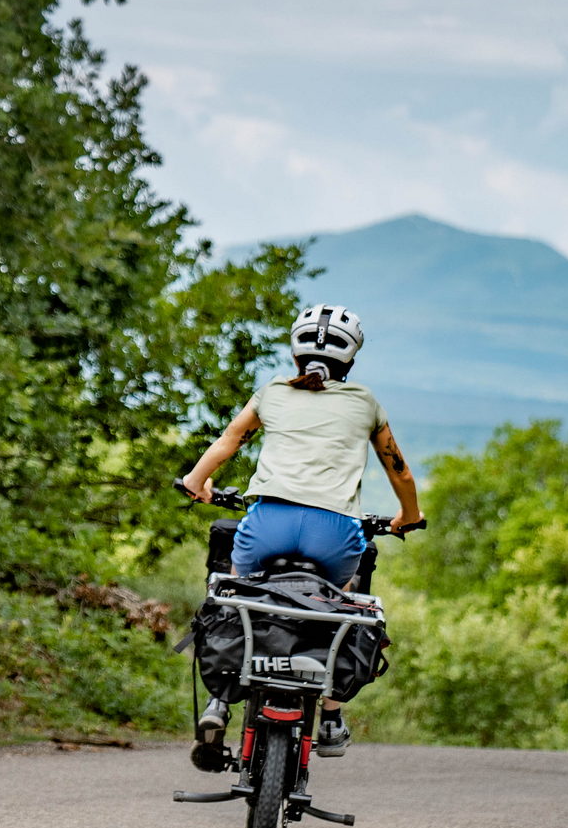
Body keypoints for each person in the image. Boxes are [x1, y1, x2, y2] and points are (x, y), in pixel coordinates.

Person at [178, 303, 423, 758]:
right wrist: (407, 517)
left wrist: (197, 483)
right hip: (334, 535)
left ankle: (219, 699)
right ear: (350, 361)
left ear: (294, 354)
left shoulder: (271, 392)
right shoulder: (366, 403)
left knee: (232, 593)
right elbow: (400, 471)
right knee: (344, 604)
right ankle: (330, 715)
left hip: (268, 524)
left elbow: (230, 440)